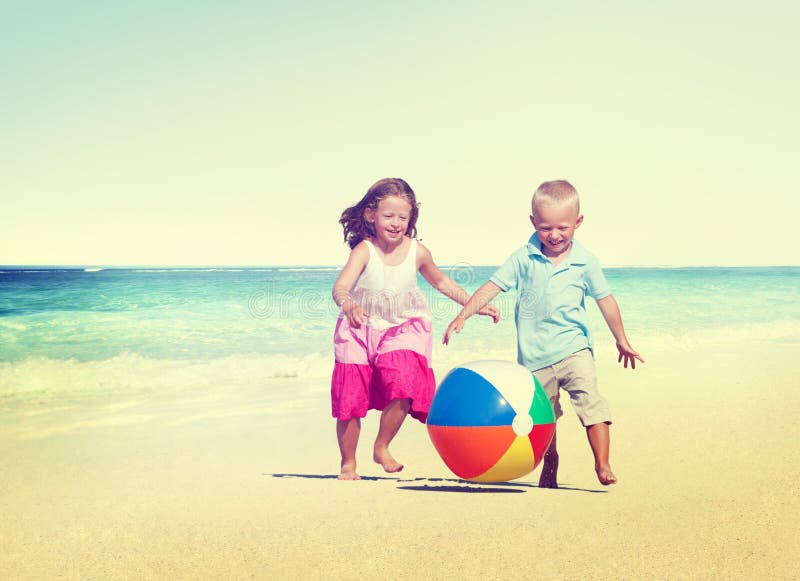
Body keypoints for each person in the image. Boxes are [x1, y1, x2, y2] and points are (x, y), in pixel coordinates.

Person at [443, 179, 643, 488]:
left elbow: (605, 299)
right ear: (534, 222)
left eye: (563, 227)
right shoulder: (523, 258)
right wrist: (463, 314)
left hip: (575, 350)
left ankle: (602, 464)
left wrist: (621, 339)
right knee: (542, 417)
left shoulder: (585, 261)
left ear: (578, 222)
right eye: (545, 227)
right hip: (535, 357)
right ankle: (550, 460)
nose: (554, 235)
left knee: (591, 403)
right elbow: (493, 286)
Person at [332, 177, 499, 480]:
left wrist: (473, 304)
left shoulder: (417, 251)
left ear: (411, 219)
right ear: (371, 215)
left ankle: (381, 446)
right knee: (350, 400)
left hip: (403, 326)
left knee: (405, 382)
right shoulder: (364, 251)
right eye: (388, 216)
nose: (395, 223)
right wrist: (349, 305)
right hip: (359, 327)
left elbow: (442, 282)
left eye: (402, 217)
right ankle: (348, 463)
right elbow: (341, 287)